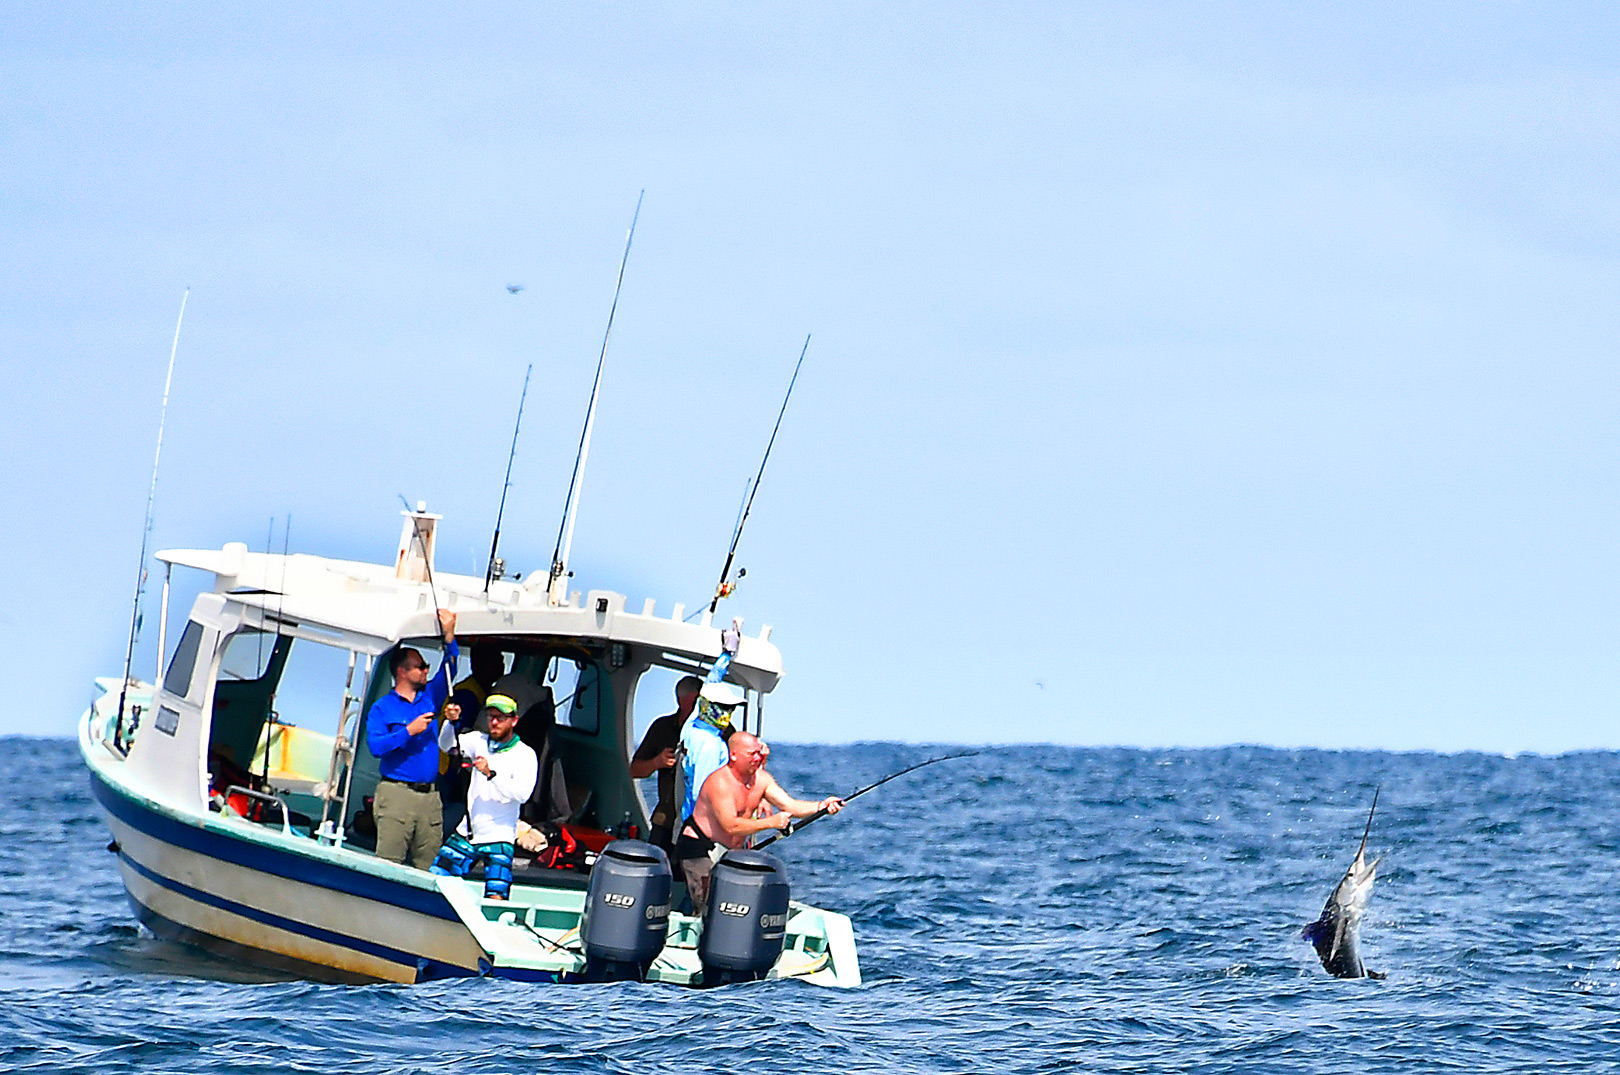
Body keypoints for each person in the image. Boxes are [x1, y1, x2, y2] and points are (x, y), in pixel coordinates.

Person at [677, 730, 843, 917]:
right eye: (752, 754)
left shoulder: (761, 780)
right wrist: (771, 822)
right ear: (733, 755)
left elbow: (791, 806)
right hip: (699, 847)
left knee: (732, 905)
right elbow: (731, 826)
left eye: (760, 753)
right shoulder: (720, 782)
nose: (758, 758)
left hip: (730, 851)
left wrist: (822, 805)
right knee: (708, 905)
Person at [365, 609, 458, 869]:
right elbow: (376, 746)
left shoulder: (430, 696)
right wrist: (408, 731)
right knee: (388, 864)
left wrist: (449, 635)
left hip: (429, 797)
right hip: (397, 795)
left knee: (427, 865)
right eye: (421, 666)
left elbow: (450, 667)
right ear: (402, 672)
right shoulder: (382, 708)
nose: (427, 670)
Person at [430, 693, 538, 899]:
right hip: (468, 832)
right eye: (491, 717)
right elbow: (447, 745)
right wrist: (450, 723)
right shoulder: (477, 740)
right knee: (437, 878)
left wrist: (491, 774)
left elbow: (522, 794)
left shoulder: (525, 754)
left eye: (501, 718)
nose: (494, 722)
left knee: (496, 896)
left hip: (499, 837)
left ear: (514, 721)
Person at [676, 619, 743, 830]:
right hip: (703, 828)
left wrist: (727, 654)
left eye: (731, 708)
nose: (727, 713)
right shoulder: (709, 745)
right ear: (707, 706)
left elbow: (711, 683)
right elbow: (702, 794)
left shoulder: (694, 723)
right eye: (723, 707)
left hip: (688, 823)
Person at [630, 674, 703, 854]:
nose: (699, 708)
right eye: (695, 702)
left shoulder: (714, 733)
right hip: (666, 819)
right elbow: (634, 770)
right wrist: (657, 762)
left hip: (700, 822)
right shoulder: (662, 728)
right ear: (680, 700)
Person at [440, 644, 507, 834]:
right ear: (479, 665)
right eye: (495, 662)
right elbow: (457, 735)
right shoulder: (467, 694)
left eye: (501, 661)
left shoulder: (486, 692)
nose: (501, 666)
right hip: (449, 768)